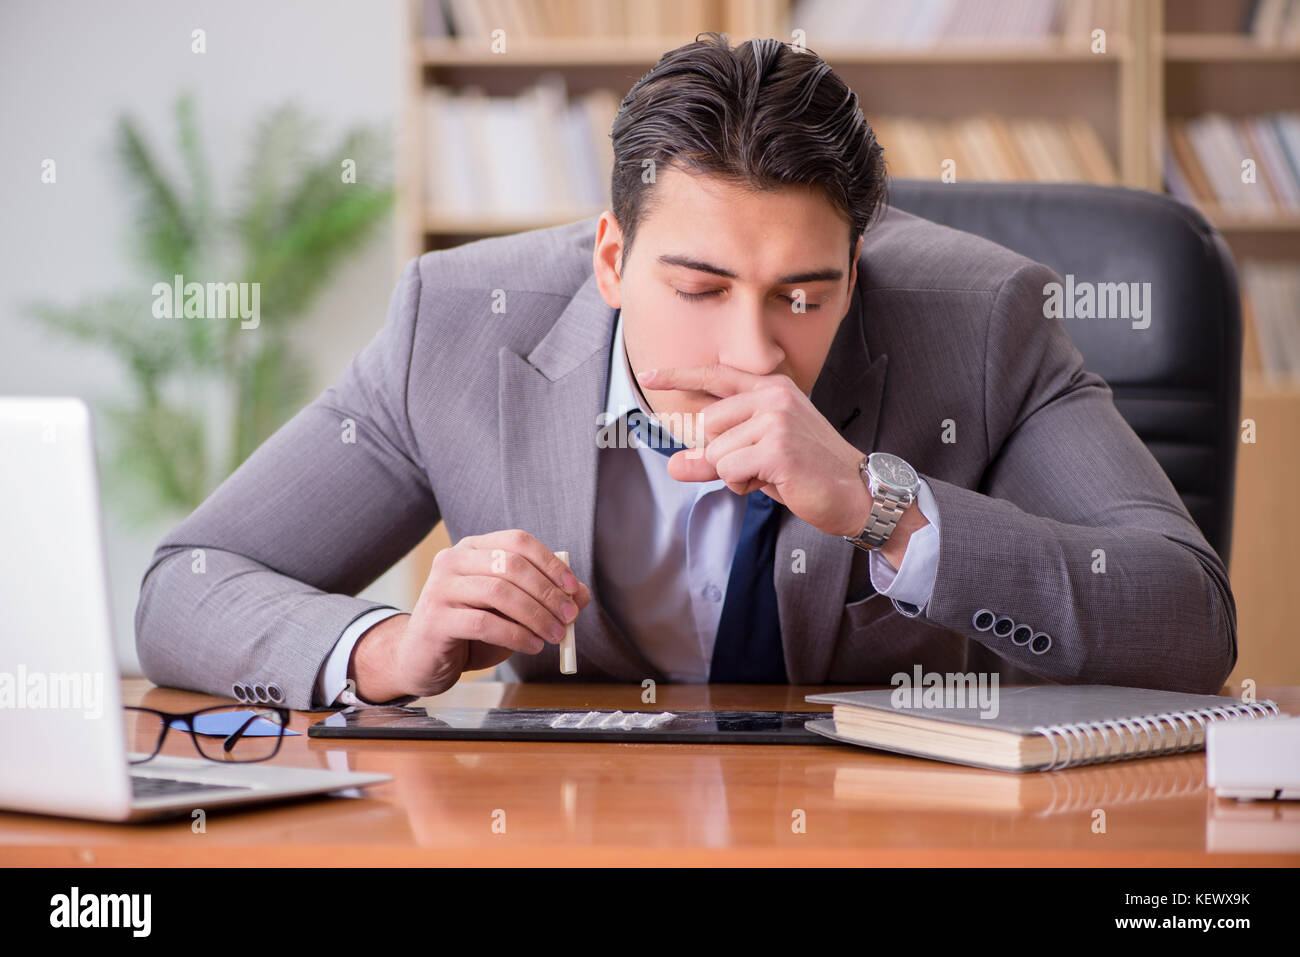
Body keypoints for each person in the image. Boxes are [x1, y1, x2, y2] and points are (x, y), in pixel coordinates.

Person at [135, 33, 1235, 711]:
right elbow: (186, 585)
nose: (754, 353)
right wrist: (383, 648)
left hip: (894, 830)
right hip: (584, 827)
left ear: (856, 270)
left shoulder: (981, 322)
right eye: (702, 288)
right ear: (612, 259)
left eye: (803, 295)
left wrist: (883, 508)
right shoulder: (458, 324)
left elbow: (1190, 620)